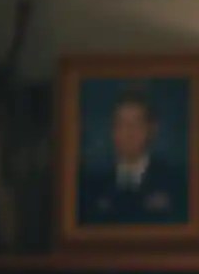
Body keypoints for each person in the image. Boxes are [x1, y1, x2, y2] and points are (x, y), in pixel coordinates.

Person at [79, 90, 187, 225]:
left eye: (136, 124)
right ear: (112, 131)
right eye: (121, 124)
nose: (128, 133)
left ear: (152, 129)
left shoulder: (175, 181)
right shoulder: (91, 186)